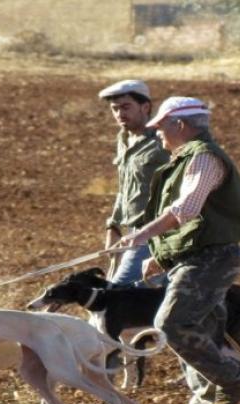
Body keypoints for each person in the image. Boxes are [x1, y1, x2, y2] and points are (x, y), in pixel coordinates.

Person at [112, 96, 240, 404]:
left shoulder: (204, 158)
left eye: (161, 127)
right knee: (201, 329)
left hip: (213, 259)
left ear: (180, 125)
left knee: (172, 324)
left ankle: (235, 378)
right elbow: (192, 226)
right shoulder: (186, 158)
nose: (158, 134)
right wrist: (161, 258)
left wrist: (141, 236)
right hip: (198, 257)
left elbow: (187, 210)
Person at [97, 79, 170, 287]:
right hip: (134, 231)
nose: (120, 114)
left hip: (158, 231)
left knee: (119, 293)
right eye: (115, 109)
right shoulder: (124, 139)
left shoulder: (164, 140)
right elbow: (125, 188)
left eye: (126, 107)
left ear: (145, 107)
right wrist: (113, 225)